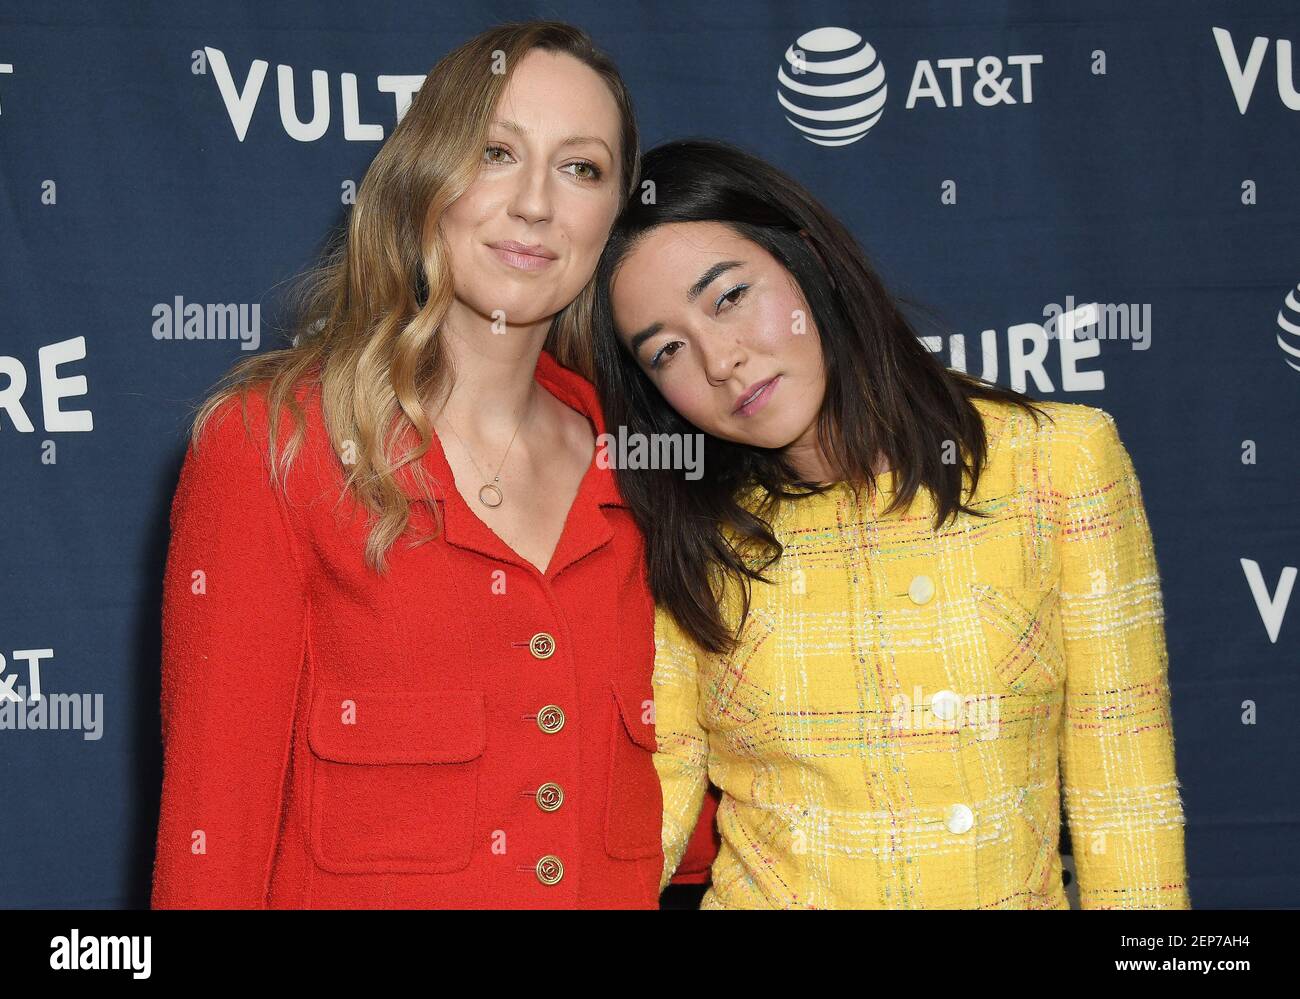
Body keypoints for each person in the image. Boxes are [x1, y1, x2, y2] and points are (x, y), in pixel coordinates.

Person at [591, 138, 1192, 909]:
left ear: (808, 261)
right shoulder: (691, 535)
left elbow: (1127, 796)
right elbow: (657, 800)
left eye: (729, 297)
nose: (719, 360)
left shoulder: (1059, 462)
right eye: (668, 349)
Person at [151, 21, 665, 909]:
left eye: (581, 168)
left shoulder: (651, 466)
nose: (537, 204)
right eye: (496, 152)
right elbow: (211, 846)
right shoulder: (270, 444)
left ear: (614, 216)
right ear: (425, 177)